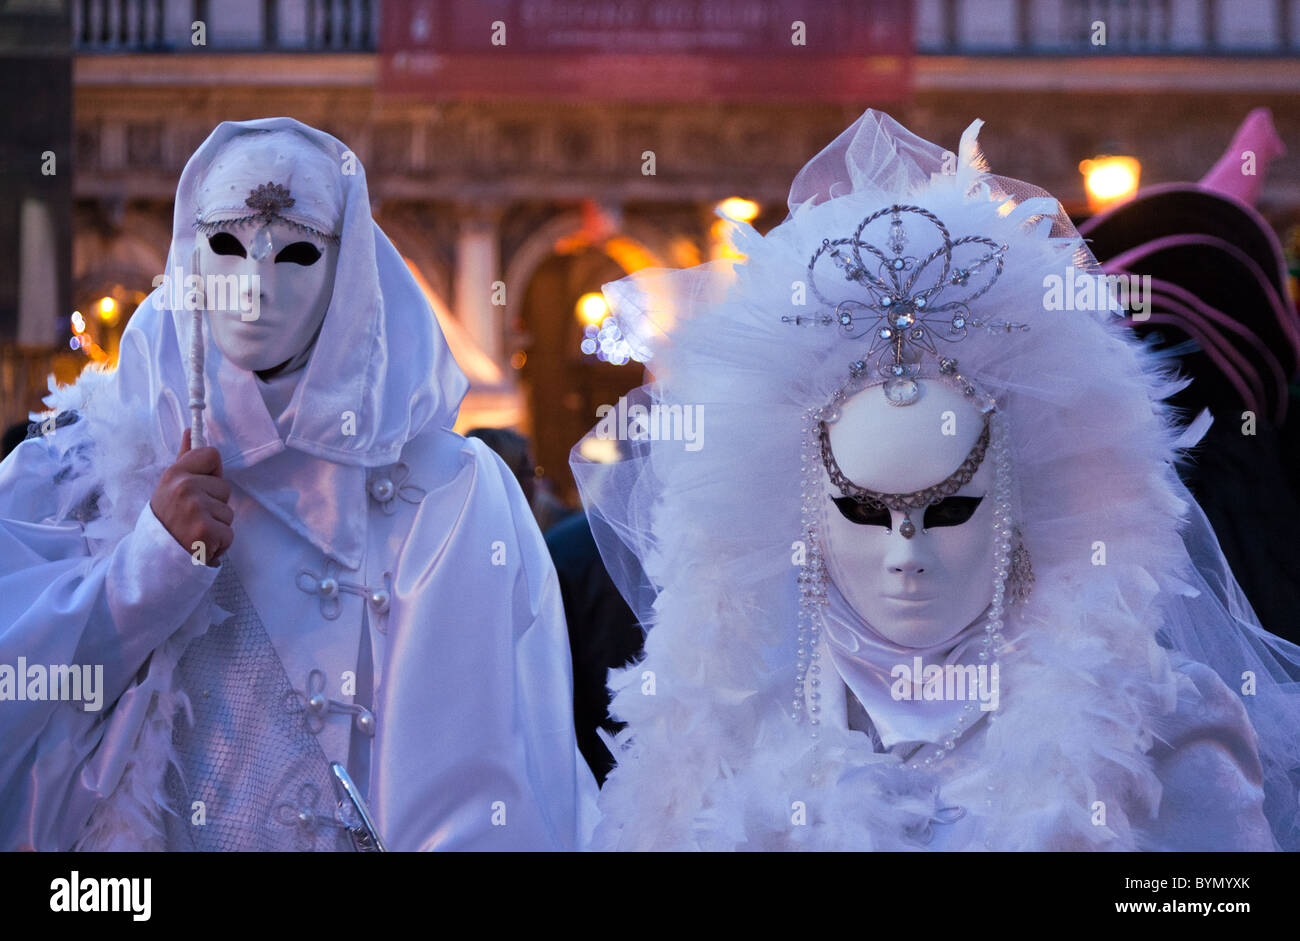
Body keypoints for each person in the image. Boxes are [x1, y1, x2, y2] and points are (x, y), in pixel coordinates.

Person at [573, 110, 1300, 851]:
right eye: (861, 508)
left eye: (950, 507)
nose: (905, 553)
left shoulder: (1156, 728)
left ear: (1020, 508)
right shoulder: (719, 722)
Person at [0, 118, 597, 851]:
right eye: (227, 244)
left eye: (296, 252)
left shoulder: (449, 492)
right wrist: (145, 573)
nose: (255, 285)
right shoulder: (83, 470)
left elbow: (484, 783)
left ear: (346, 275)